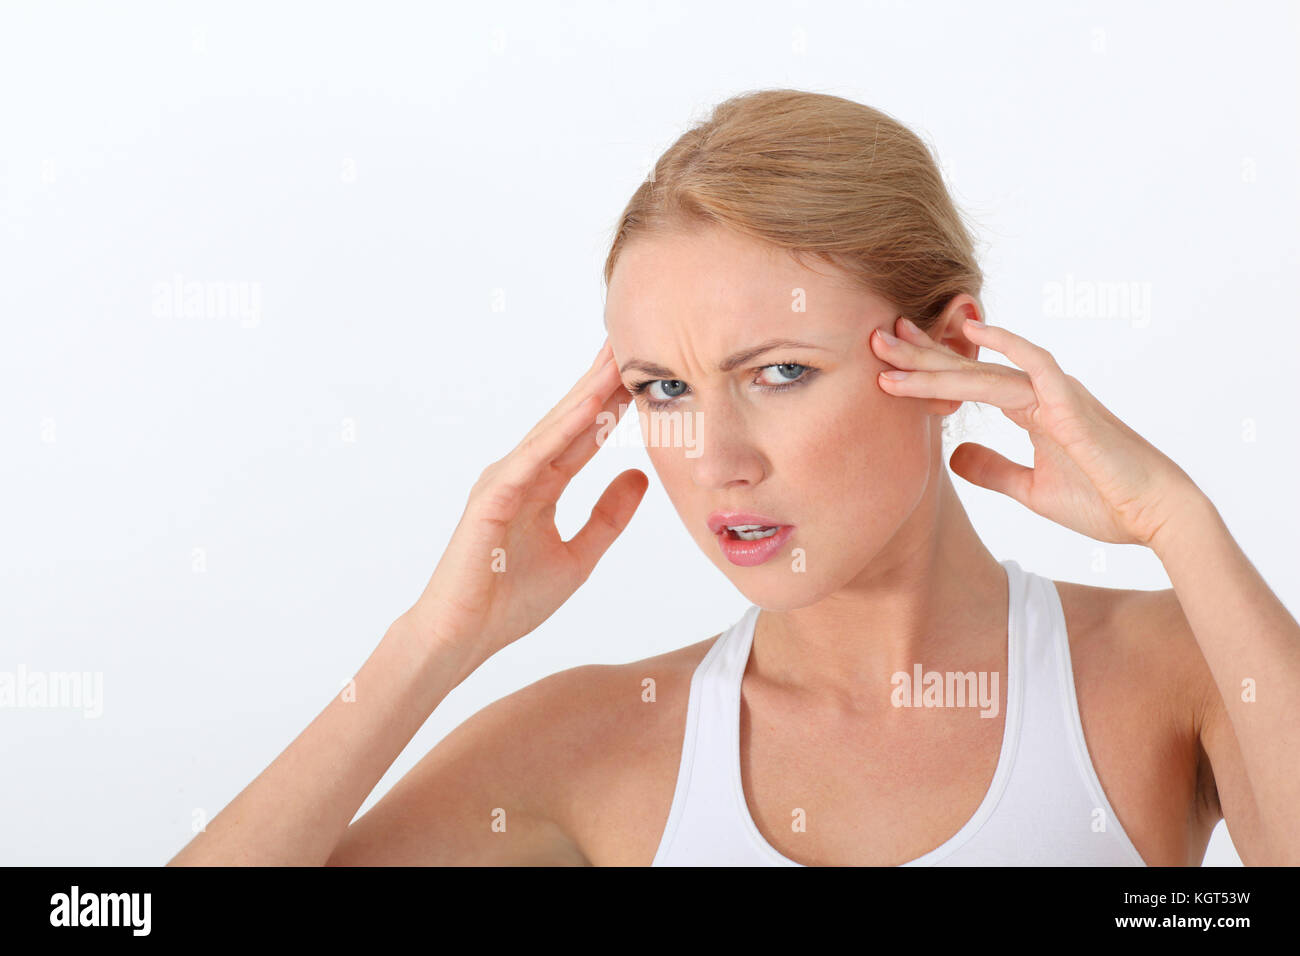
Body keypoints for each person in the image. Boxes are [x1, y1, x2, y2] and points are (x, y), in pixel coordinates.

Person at [168, 89, 1299, 867]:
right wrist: (431, 642)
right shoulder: (588, 739)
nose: (714, 459)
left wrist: (1177, 522)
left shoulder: (1172, 668)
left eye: (779, 371)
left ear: (948, 352)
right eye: (662, 389)